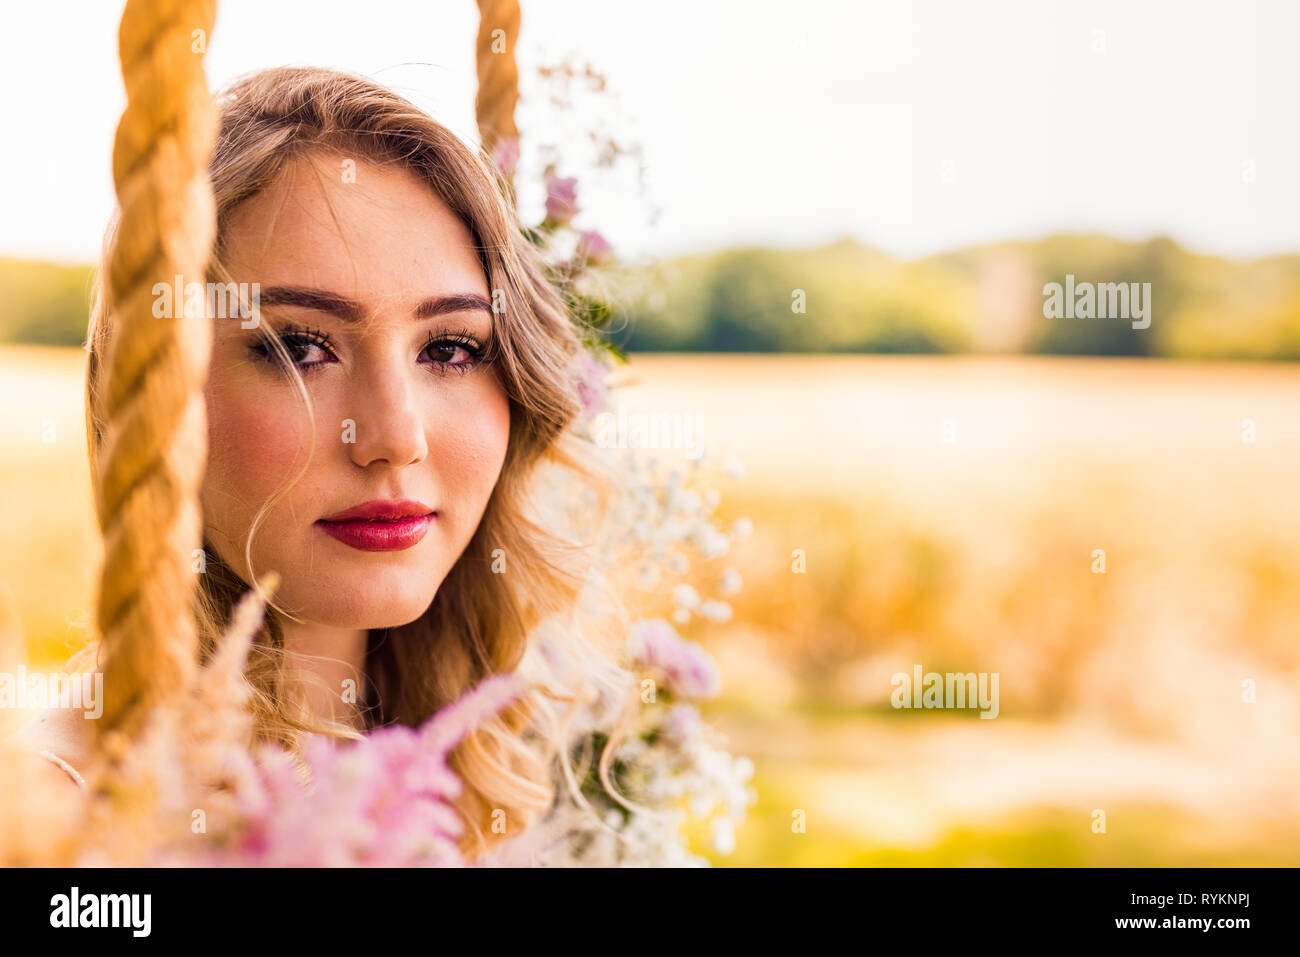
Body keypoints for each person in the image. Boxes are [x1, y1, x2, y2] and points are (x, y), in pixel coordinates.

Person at [9, 66, 631, 861]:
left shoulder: (497, 762)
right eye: (299, 347)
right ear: (159, 396)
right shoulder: (64, 830)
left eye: (449, 348)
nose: (395, 436)